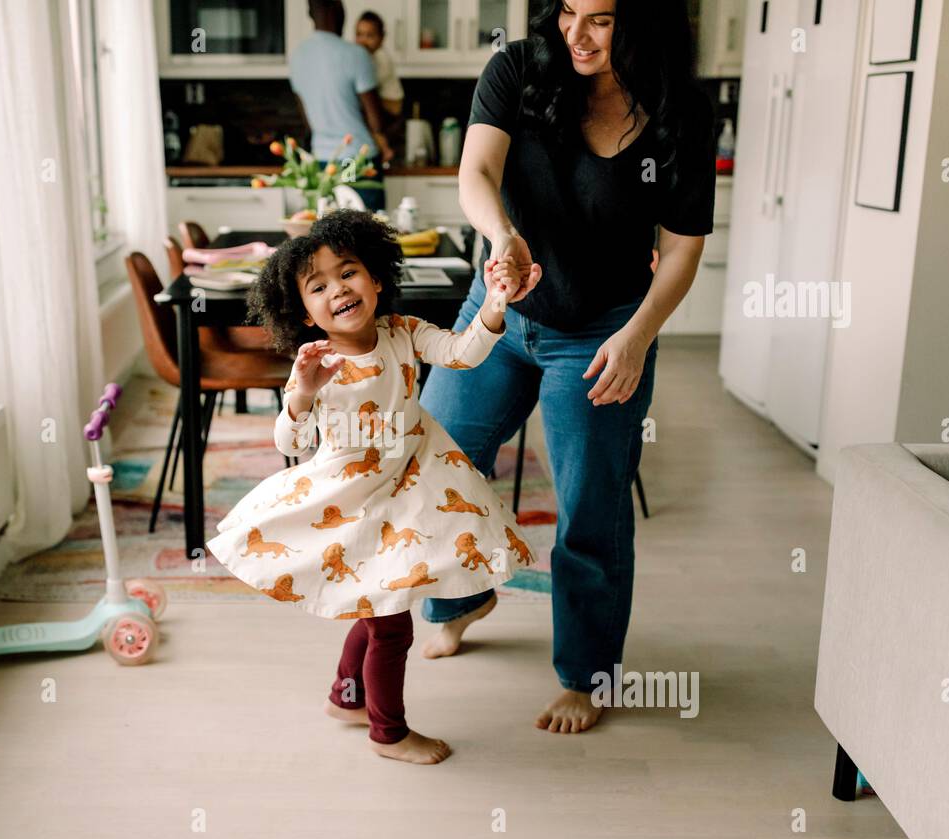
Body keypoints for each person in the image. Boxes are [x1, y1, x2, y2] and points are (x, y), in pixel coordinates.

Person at [417, 0, 716, 734]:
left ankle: (586, 675)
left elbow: (681, 247)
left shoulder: (682, 109)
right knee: (438, 462)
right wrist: (502, 235)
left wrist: (641, 334)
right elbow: (476, 172)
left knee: (589, 505)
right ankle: (461, 599)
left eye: (603, 19)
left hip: (604, 330)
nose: (575, 35)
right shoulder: (518, 71)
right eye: (567, 13)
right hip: (500, 313)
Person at [206, 211, 533, 765]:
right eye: (319, 285)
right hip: (351, 501)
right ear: (304, 313)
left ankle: (346, 696)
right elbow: (290, 436)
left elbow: (463, 354)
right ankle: (389, 733)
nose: (338, 289)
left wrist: (497, 305)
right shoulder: (317, 364)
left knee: (378, 602)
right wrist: (302, 394)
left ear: (376, 279)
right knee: (391, 626)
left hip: (407, 484)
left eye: (348, 272)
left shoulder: (402, 331)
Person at [290, 0, 393, 211]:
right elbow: (376, 121)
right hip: (354, 160)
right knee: (368, 233)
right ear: (339, 12)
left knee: (331, 232)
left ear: (311, 15)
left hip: (323, 162)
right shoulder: (356, 55)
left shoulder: (297, 56)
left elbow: (307, 120)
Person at [354, 12, 404, 117]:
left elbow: (364, 92)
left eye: (370, 36)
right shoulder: (363, 59)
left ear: (381, 39)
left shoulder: (382, 59)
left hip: (390, 112)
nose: (363, 41)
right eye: (359, 34)